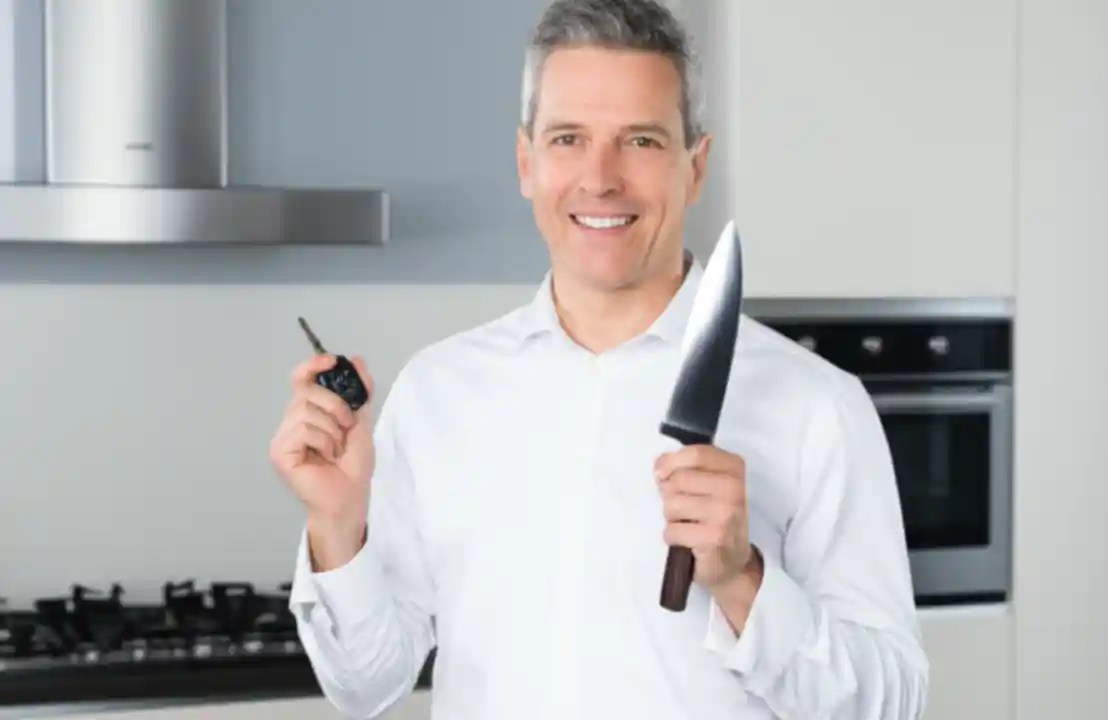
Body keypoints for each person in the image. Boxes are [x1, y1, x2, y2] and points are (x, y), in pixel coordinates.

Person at [270, 0, 929, 718]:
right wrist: (337, 525)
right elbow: (365, 688)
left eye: (640, 141)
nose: (601, 178)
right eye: (568, 139)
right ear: (527, 162)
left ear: (695, 166)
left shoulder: (815, 406)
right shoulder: (439, 391)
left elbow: (890, 705)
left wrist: (744, 581)